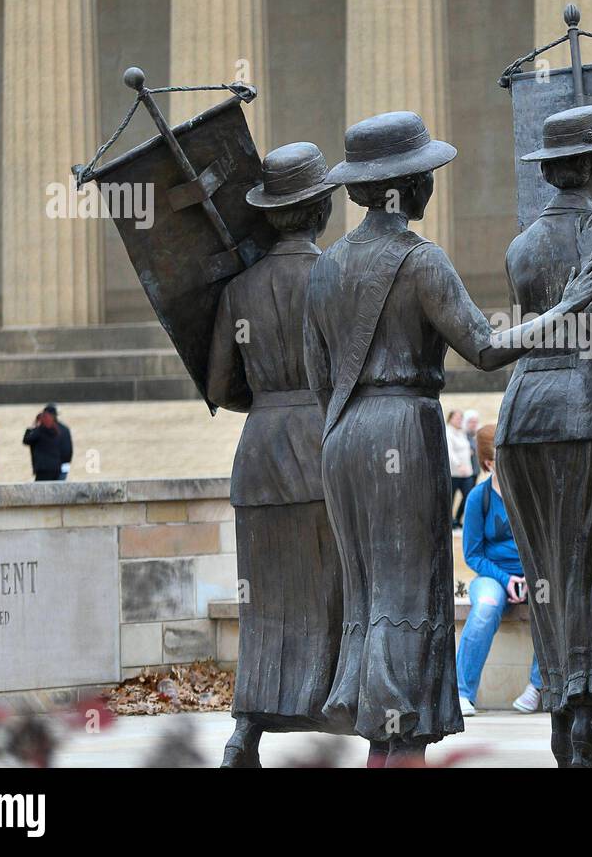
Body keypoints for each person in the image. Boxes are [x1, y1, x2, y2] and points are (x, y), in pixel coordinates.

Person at [303, 110, 592, 766]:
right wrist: (568, 305)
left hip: (341, 436)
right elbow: (484, 347)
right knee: (408, 590)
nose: (432, 186)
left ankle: (379, 745)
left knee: (368, 591)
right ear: (407, 185)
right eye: (427, 175)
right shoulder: (421, 261)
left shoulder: (326, 268)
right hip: (402, 425)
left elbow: (317, 377)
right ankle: (406, 746)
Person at [496, 104, 592, 767]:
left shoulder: (521, 245)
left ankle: (560, 706)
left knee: (546, 570)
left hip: (523, 417)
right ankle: (586, 716)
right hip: (587, 410)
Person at [206, 141, 344, 767]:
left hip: (259, 449)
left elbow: (218, 387)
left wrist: (269, 397)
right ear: (321, 207)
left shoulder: (240, 290)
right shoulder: (339, 273)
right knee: (340, 590)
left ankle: (247, 732)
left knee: (263, 601)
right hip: (326, 446)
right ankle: (350, 708)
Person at [455, 423, 543, 717]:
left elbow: (545, 543)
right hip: (492, 576)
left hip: (533, 576)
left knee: (553, 608)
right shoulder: (478, 498)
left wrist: (531, 577)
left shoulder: (531, 494)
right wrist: (506, 580)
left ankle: (537, 688)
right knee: (484, 611)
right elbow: (472, 554)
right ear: (489, 462)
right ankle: (462, 692)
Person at [446, 409, 475, 529]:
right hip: (454, 473)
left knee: (469, 496)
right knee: (450, 499)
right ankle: (448, 522)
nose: (459, 421)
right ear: (451, 419)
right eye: (457, 418)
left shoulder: (461, 433)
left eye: (461, 418)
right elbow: (450, 451)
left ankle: (458, 519)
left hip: (467, 473)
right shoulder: (448, 432)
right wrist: (458, 465)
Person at [22, 406, 64, 481]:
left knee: (39, 490)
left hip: (43, 468)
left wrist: (31, 428)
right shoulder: (57, 431)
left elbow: (26, 440)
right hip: (56, 467)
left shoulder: (39, 431)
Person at [46, 404, 74, 480]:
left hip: (51, 467)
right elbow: (69, 449)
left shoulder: (47, 430)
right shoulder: (65, 429)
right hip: (64, 465)